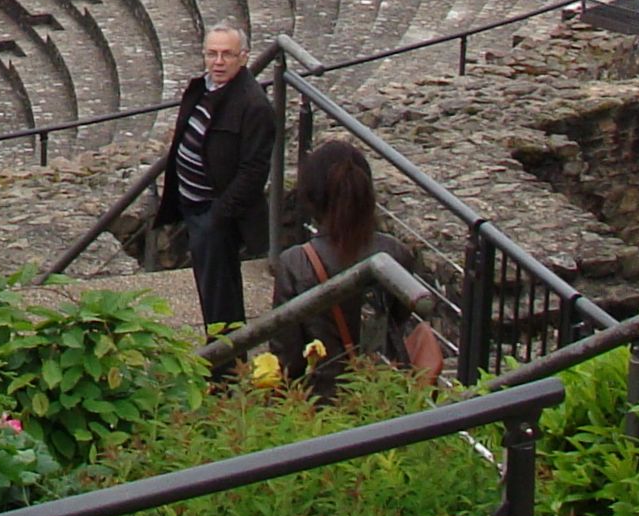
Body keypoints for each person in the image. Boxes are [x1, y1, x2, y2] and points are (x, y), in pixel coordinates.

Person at [269, 141, 442, 392]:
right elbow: (397, 318)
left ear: (311, 198)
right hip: (385, 389)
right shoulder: (394, 253)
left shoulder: (295, 264)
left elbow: (287, 352)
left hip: (322, 397)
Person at [156, 26, 275, 340]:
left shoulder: (254, 106)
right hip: (193, 205)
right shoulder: (204, 87)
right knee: (214, 290)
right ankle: (227, 361)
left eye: (227, 54)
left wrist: (217, 216)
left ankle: (224, 370)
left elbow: (253, 172)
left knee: (220, 299)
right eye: (212, 53)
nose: (218, 61)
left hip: (216, 214)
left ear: (243, 58)